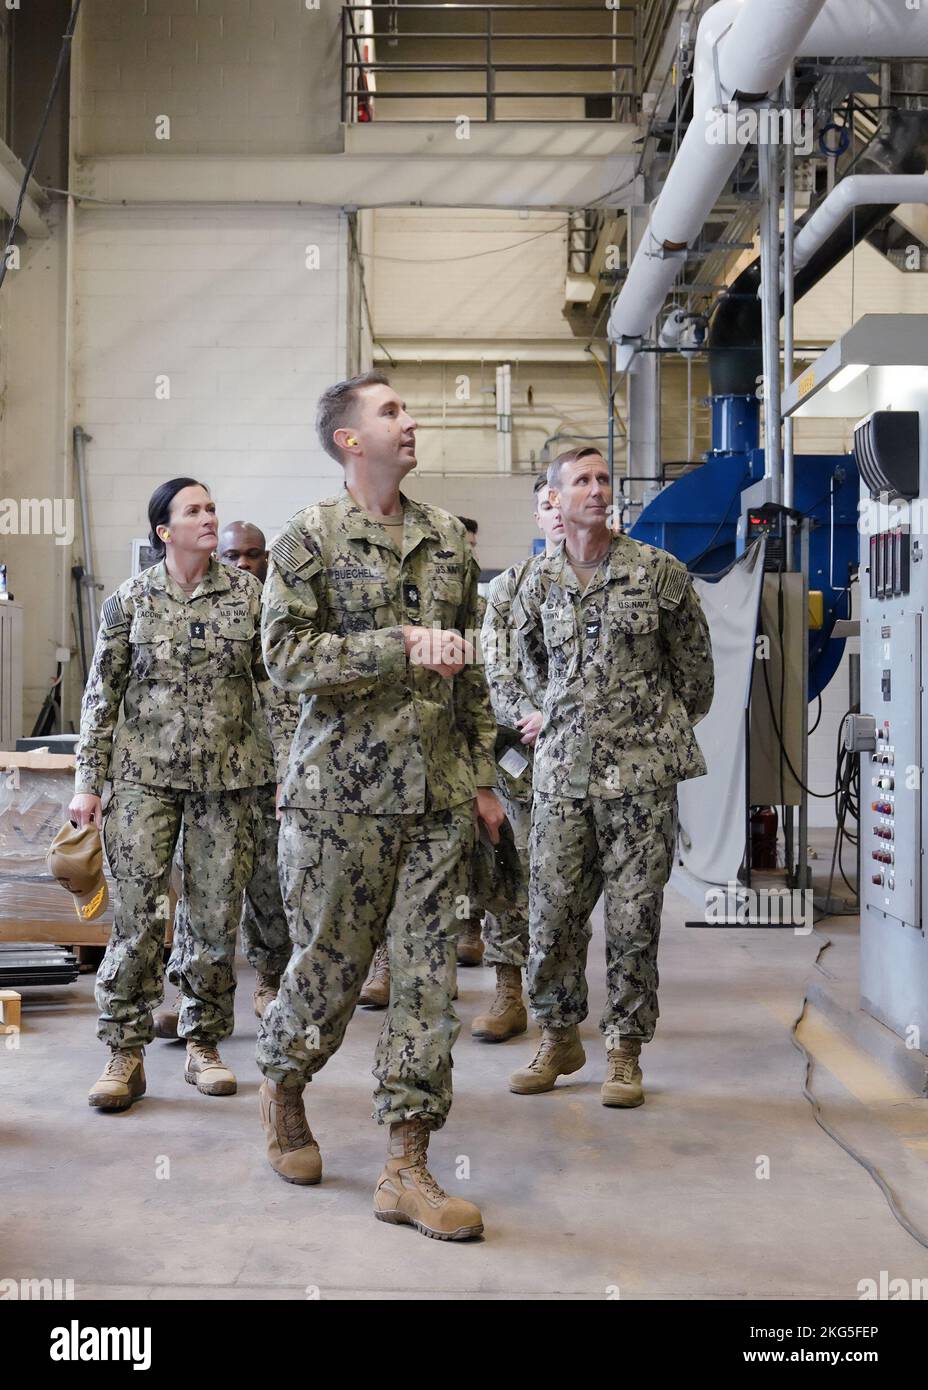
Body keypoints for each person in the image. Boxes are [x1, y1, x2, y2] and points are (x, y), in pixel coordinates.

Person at [256, 370, 503, 1241]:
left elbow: (472, 671)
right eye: (391, 411)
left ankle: (408, 1164)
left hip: (434, 799)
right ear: (348, 440)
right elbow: (285, 656)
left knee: (429, 982)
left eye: (407, 410)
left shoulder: (446, 539)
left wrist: (479, 778)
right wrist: (396, 645)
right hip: (339, 805)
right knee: (327, 974)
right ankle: (284, 1089)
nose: (411, 421)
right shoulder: (307, 540)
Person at [71, 480, 291, 1111]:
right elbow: (101, 695)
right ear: (164, 531)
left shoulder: (248, 595)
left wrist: (282, 773)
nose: (207, 518)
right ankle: (125, 1051)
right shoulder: (130, 600)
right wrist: (87, 784)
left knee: (215, 916)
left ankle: (203, 1041)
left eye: (210, 508)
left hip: (229, 781)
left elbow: (272, 689)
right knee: (138, 917)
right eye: (193, 511)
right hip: (143, 780)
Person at [508, 447, 714, 1107]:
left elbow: (695, 674)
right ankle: (559, 1035)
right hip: (562, 778)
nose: (596, 490)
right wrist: (535, 714)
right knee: (552, 917)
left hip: (641, 781)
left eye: (602, 479)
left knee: (634, 917)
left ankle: (624, 1050)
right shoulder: (533, 583)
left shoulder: (658, 574)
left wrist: (650, 728)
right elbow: (513, 667)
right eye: (582, 481)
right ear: (555, 499)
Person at [153, 521, 296, 1035]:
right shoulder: (203, 605)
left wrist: (286, 772)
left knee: (268, 888)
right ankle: (191, 995)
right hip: (212, 779)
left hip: (264, 775)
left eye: (253, 555)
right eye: (234, 555)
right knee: (200, 889)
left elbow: (281, 696)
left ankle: (272, 979)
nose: (243, 564)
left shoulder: (268, 606)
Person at [475, 474, 563, 1042]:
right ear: (537, 517)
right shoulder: (508, 589)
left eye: (567, 499)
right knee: (510, 875)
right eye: (546, 504)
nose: (557, 511)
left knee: (568, 887)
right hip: (521, 755)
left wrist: (561, 715)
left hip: (594, 761)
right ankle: (510, 991)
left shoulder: (630, 578)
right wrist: (531, 716)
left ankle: (561, 1002)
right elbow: (494, 667)